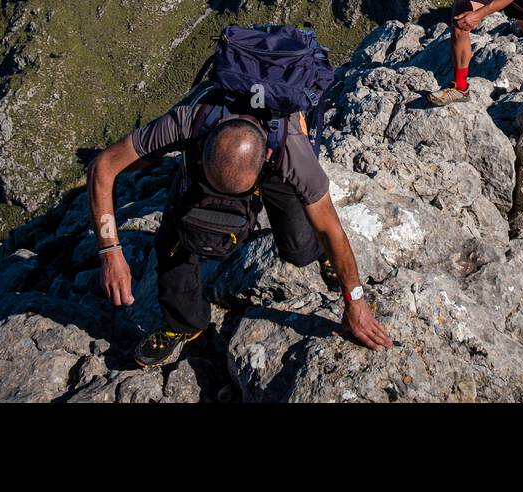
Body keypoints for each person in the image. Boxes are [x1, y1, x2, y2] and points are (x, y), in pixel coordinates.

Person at [88, 97, 393, 366]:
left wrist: (355, 300)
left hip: (271, 161)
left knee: (301, 248)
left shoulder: (291, 151)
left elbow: (331, 228)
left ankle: (317, 254)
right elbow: (102, 167)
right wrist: (110, 251)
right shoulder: (186, 121)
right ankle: (184, 323)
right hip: (205, 167)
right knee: (173, 238)